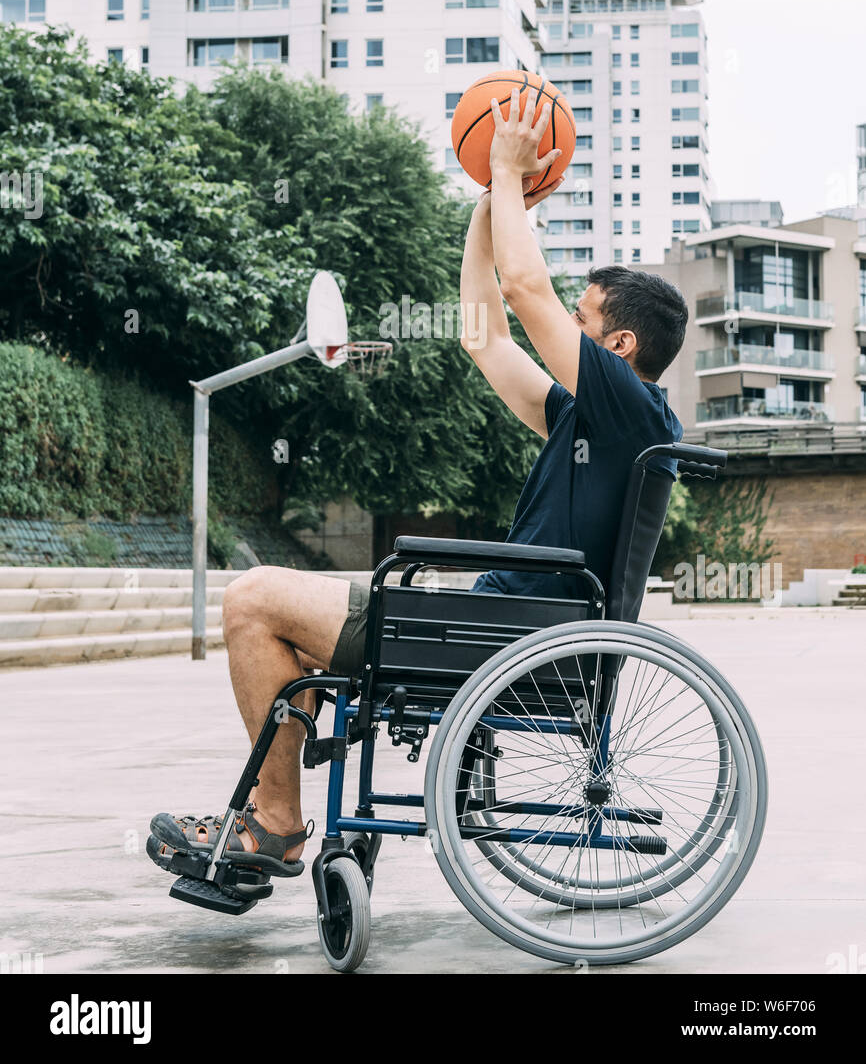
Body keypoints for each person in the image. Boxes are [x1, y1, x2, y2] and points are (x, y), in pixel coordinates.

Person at [147, 87, 687, 880]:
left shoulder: (630, 411)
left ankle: (275, 823)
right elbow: (484, 336)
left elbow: (526, 291)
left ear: (620, 342)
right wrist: (484, 208)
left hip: (498, 636)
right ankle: (274, 819)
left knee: (251, 599)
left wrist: (509, 174)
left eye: (582, 318)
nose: (562, 323)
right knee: (279, 633)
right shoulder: (596, 420)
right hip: (508, 630)